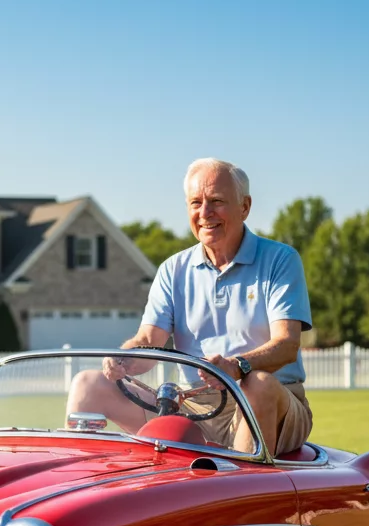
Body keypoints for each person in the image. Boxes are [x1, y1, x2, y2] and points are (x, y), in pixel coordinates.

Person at [66, 157, 313, 455]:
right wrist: (125, 359)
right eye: (196, 203)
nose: (205, 213)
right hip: (192, 405)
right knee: (87, 384)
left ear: (245, 206)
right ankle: (78, 492)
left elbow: (287, 344)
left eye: (217, 201)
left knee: (257, 384)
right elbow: (148, 342)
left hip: (272, 400)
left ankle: (240, 493)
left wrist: (236, 367)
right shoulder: (173, 269)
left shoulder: (280, 260)